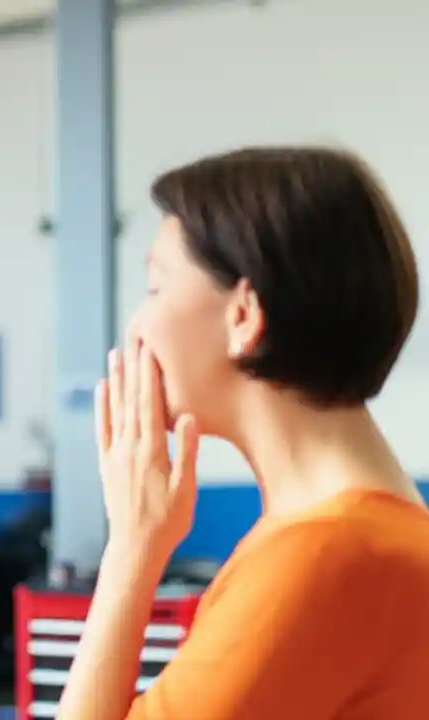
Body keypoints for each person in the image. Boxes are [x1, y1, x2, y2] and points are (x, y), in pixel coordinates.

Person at [57, 145, 429, 719]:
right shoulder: (351, 534)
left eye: (155, 288)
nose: (137, 325)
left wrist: (131, 547)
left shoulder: (324, 557)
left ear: (244, 316)